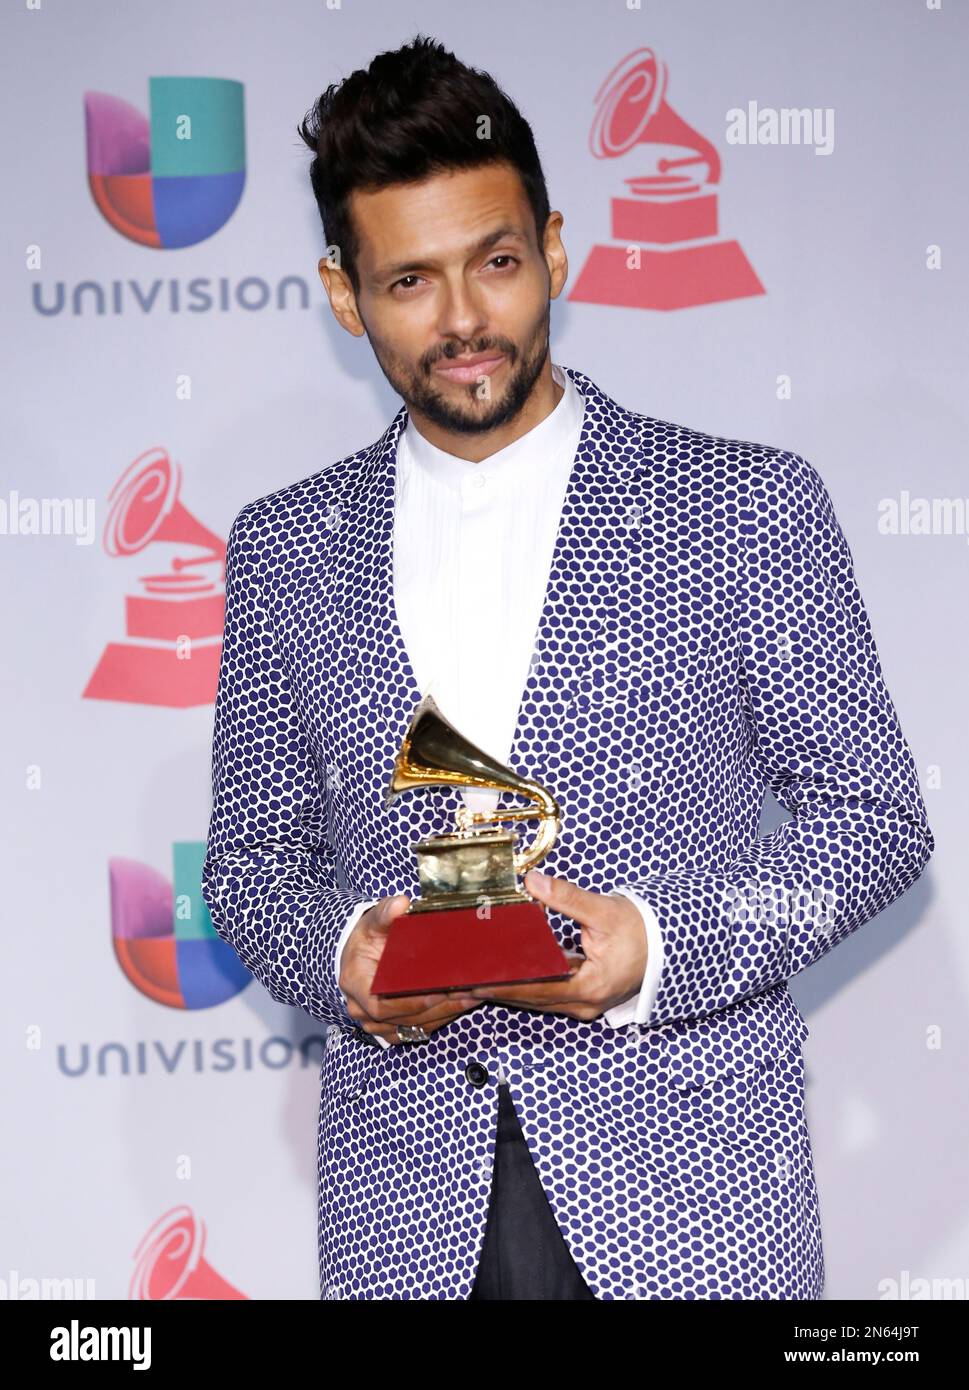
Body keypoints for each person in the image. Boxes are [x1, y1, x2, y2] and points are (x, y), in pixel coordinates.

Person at [201, 35, 934, 1300]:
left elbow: (875, 824)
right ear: (343, 294)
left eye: (494, 263)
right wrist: (345, 955)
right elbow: (255, 861)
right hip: (402, 1210)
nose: (465, 320)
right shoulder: (283, 549)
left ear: (554, 247)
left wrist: (654, 946)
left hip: (698, 1202)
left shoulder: (743, 506)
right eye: (411, 282)